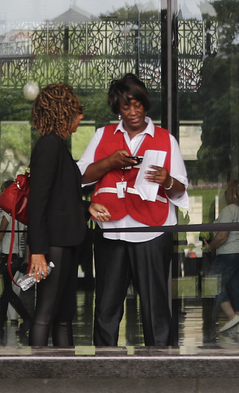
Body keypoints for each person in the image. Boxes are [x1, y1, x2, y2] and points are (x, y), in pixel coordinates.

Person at [79, 73, 189, 347]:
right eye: (125, 107)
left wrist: (167, 180)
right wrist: (108, 163)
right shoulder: (102, 135)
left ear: (145, 104)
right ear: (117, 109)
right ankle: (105, 368)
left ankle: (160, 366)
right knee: (106, 307)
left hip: (152, 231)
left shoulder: (166, 139)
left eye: (137, 104)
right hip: (112, 232)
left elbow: (181, 192)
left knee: (155, 308)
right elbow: (80, 176)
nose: (132, 112)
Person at [25, 83, 95, 347]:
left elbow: (60, 199)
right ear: (62, 111)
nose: (81, 116)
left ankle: (64, 377)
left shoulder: (57, 146)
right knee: (46, 313)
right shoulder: (49, 146)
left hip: (64, 241)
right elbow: (38, 203)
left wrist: (86, 207)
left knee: (64, 315)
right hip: (53, 245)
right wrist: (38, 252)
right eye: (78, 109)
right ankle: (38, 377)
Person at [205, 179, 239, 335]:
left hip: (228, 253)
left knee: (213, 282)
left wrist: (210, 246)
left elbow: (223, 236)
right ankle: (238, 322)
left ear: (229, 193)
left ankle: (231, 317)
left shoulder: (228, 210)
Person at [0, 184, 30, 333]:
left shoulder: (7, 210)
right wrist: (26, 256)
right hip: (15, 255)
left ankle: (26, 318)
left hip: (5, 255)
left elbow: (2, 230)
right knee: (6, 292)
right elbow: (26, 236)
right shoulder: (21, 211)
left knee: (6, 291)